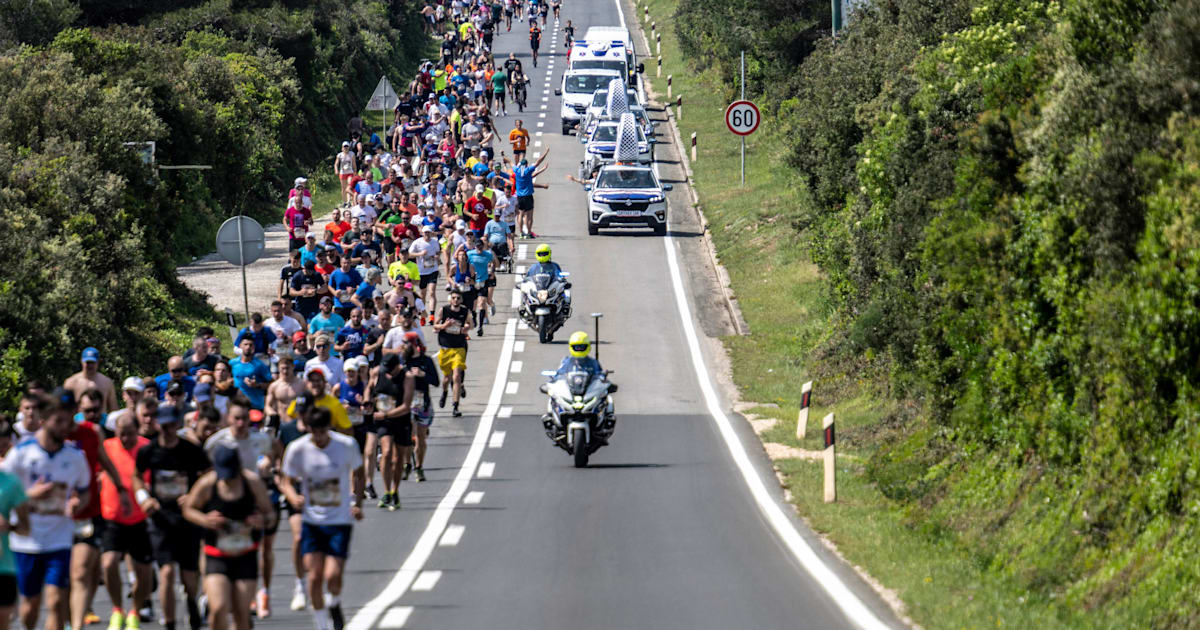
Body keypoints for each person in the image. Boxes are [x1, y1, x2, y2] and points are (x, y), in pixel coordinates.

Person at [3, 391, 91, 630]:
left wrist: (77, 503)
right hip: (26, 541)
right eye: (59, 421)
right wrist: (31, 495)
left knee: (55, 602)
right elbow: (4, 493)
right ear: (44, 420)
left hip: (58, 539)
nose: (65, 427)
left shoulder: (75, 457)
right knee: (30, 605)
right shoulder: (21, 454)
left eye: (68, 421)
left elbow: (85, 491)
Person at [279, 406, 364, 630]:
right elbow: (285, 479)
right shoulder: (298, 448)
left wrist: (357, 502)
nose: (318, 437)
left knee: (333, 576)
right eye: (314, 431)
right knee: (315, 577)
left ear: (329, 427)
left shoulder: (345, 445)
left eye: (322, 431)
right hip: (312, 521)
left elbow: (359, 472)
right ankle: (321, 625)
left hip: (338, 521)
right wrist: (292, 496)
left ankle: (334, 602)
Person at [204, 395, 283, 622]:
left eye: (245, 419)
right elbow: (203, 470)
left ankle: (255, 594)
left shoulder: (261, 439)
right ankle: (209, 591)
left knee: (254, 550)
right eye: (236, 418)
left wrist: (271, 467)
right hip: (222, 505)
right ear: (229, 417)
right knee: (211, 549)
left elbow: (278, 452)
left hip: (251, 506)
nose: (241, 424)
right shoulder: (216, 442)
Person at [181, 445, 273, 630]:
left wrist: (261, 520)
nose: (228, 479)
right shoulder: (208, 483)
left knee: (241, 611)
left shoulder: (252, 483)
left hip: (245, 554)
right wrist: (205, 519)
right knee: (219, 608)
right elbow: (188, 509)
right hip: (217, 555)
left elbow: (271, 515)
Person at [133, 405, 209, 630]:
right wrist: (143, 498)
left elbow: (208, 474)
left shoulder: (190, 450)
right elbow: (136, 476)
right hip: (161, 518)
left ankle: (191, 602)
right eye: (163, 426)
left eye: (171, 426)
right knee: (166, 571)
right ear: (158, 425)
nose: (166, 430)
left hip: (187, 517)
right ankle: (169, 622)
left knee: (189, 575)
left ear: (177, 425)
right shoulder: (149, 450)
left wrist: (194, 496)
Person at [98, 413, 153, 630]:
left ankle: (135, 612)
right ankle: (117, 610)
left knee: (144, 572)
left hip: (141, 518)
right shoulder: (107, 446)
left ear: (137, 432)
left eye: (130, 434)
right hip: (113, 516)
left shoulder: (147, 448)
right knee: (109, 563)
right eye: (122, 434)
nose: (126, 439)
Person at [401, 333, 439, 483]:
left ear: (413, 344)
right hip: (406, 402)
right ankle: (407, 464)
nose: (403, 346)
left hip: (422, 403)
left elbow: (436, 381)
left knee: (421, 438)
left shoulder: (426, 361)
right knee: (406, 436)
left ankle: (419, 467)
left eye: (405, 343)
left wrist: (422, 374)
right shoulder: (403, 362)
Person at [0, 452, 30, 629]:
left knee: (4, 618)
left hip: (4, 566)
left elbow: (25, 528)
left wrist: (9, 526)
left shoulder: (11, 483)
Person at [434, 290, 471, 418]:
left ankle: (455, 406)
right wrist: (445, 325)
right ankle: (444, 392)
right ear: (450, 299)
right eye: (453, 298)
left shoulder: (465, 311)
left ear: (461, 300)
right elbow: (435, 326)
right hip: (445, 348)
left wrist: (465, 327)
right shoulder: (444, 310)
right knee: (446, 379)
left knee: (456, 376)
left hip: (459, 347)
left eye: (458, 298)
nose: (455, 300)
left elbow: (470, 324)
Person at [505, 149, 551, 238]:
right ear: (526, 164)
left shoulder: (517, 171)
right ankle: (529, 232)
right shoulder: (528, 170)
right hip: (528, 196)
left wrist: (504, 156)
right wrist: (545, 153)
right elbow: (538, 161)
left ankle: (522, 232)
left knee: (520, 214)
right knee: (529, 215)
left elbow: (510, 162)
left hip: (519, 196)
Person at [64, 347, 118, 413]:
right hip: (79, 422)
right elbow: (64, 407)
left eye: (92, 362)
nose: (90, 365)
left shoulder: (107, 382)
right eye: (88, 362)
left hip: (101, 422)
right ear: (82, 361)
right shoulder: (71, 382)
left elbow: (114, 410)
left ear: (98, 362)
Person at [230, 337, 272, 411]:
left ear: (254, 347)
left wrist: (257, 385)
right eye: (245, 344)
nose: (248, 347)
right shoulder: (232, 363)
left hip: (255, 406)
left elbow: (271, 384)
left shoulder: (259, 365)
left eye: (251, 345)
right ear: (240, 346)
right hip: (238, 405)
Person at [467, 238, 496, 335]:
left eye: (481, 246)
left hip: (483, 280)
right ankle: (474, 318)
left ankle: (480, 327)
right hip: (473, 282)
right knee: (473, 306)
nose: (479, 248)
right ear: (474, 246)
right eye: (477, 246)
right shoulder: (470, 254)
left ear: (483, 246)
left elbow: (494, 262)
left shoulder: (487, 254)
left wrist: (492, 271)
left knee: (482, 303)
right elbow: (461, 261)